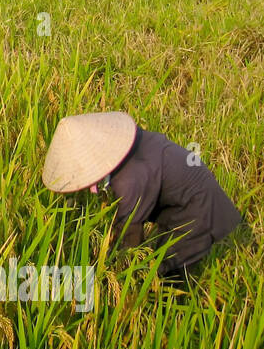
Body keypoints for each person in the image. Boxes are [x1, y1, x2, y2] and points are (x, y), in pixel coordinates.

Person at [41, 111, 242, 277]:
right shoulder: (131, 144)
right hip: (180, 201)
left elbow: (128, 238)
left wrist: (109, 270)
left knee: (168, 269)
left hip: (200, 210)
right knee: (163, 251)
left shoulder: (130, 181)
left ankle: (170, 312)